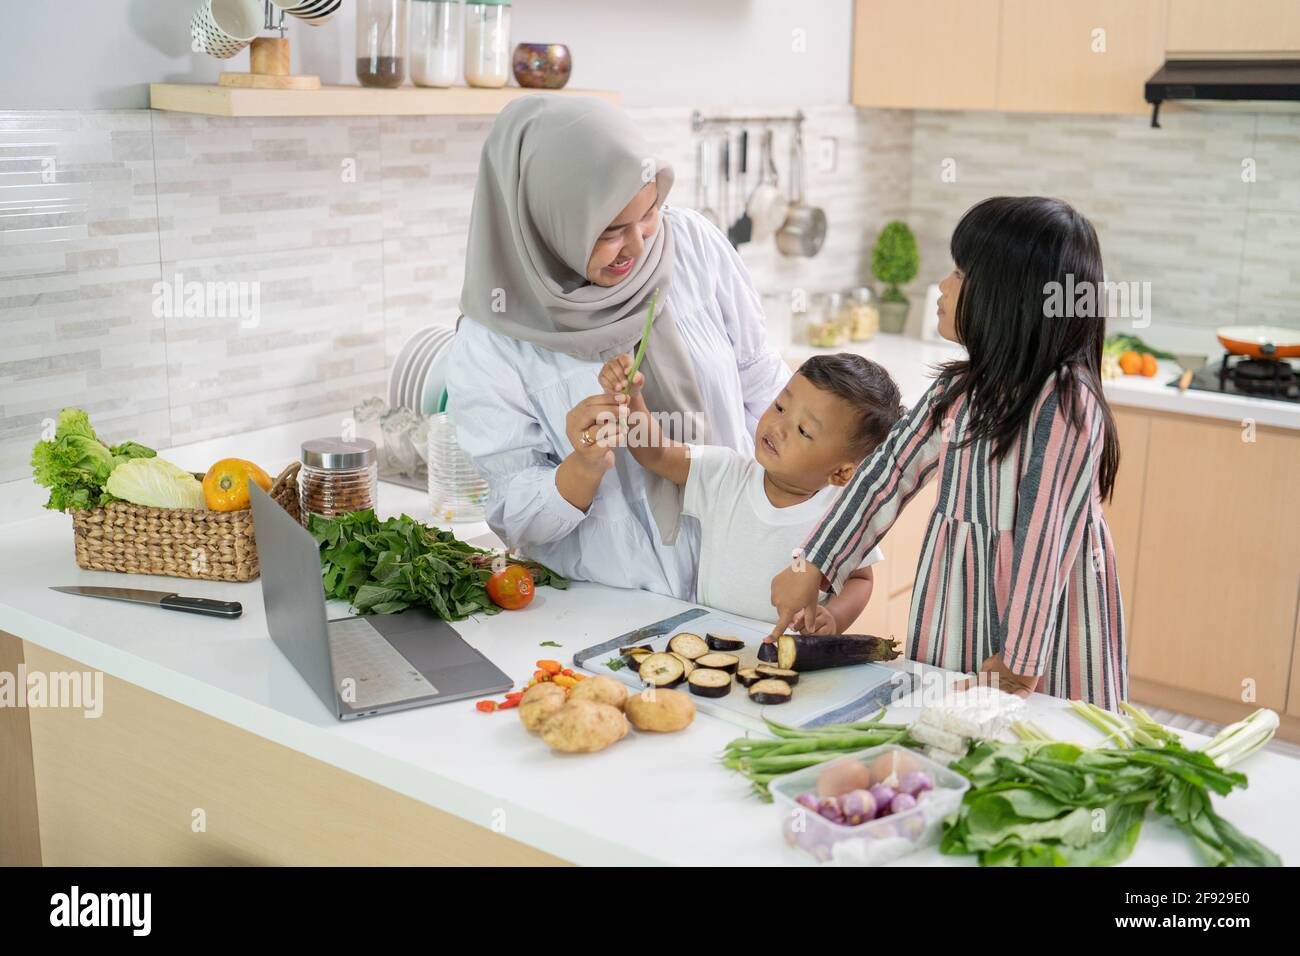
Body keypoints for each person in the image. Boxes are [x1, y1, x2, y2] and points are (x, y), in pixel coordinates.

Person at [770, 196, 1127, 707]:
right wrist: (815, 565)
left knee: (1046, 742)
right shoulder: (959, 391)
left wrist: (1020, 664)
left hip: (1041, 623)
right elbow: (886, 476)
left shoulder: (1066, 405)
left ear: (1010, 297)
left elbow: (1044, 541)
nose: (942, 285)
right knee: (950, 730)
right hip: (958, 596)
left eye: (960, 273)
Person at [446, 96, 787, 597]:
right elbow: (514, 517)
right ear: (547, 222)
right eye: (609, 231)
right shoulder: (492, 341)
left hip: (747, 579)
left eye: (650, 213)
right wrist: (580, 469)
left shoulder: (693, 245)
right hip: (614, 613)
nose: (640, 244)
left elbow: (766, 394)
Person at [600, 351, 902, 630]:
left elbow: (860, 579)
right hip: (708, 641)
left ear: (841, 471)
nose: (778, 426)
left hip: (785, 659)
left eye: (803, 431)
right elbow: (657, 455)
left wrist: (834, 617)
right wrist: (632, 400)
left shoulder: (841, 514)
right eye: (781, 407)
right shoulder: (726, 474)